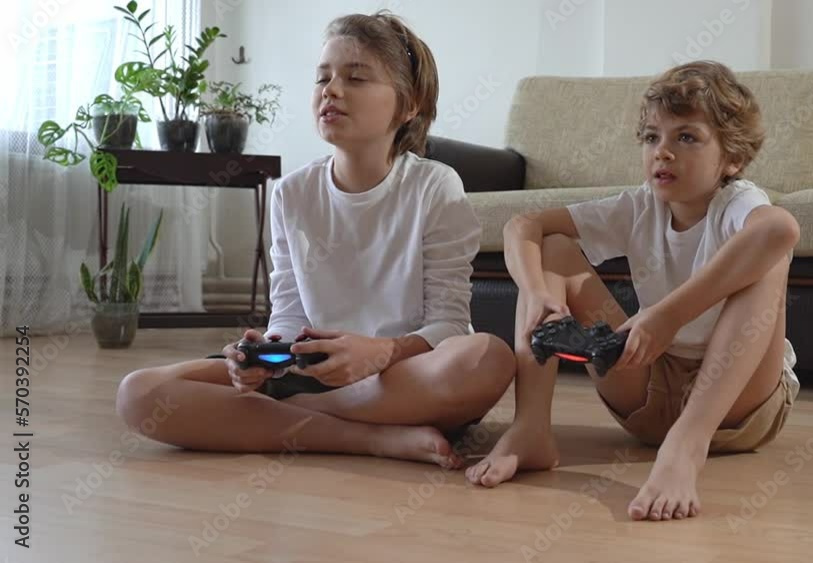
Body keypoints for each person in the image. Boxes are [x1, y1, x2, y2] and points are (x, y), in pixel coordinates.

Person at [116, 11, 515, 468]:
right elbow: (288, 313)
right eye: (322, 77)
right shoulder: (291, 193)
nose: (332, 90)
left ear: (409, 105)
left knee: (489, 358)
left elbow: (446, 322)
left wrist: (379, 352)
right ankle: (368, 440)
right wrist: (262, 356)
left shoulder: (435, 186)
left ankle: (291, 420)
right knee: (139, 393)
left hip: (402, 382)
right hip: (307, 375)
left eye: (357, 77)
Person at [465, 61, 801, 520]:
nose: (662, 152)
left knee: (767, 258)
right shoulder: (640, 205)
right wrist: (537, 290)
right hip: (647, 396)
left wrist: (666, 315)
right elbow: (523, 226)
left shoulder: (737, 204)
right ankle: (530, 429)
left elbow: (781, 229)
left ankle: (687, 446)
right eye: (651, 137)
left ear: (732, 158)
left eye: (686, 137)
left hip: (738, 407)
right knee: (553, 249)